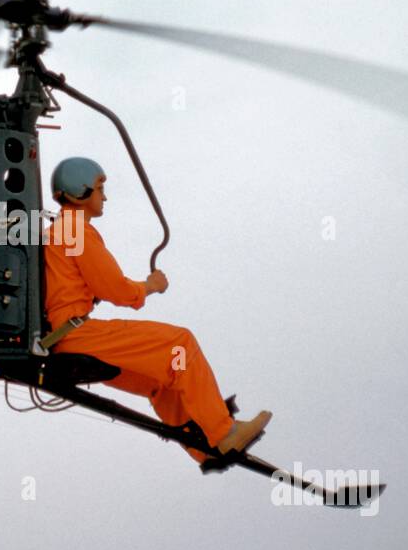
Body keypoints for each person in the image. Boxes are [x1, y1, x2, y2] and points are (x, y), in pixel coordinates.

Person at [41, 157, 272, 463]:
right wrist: (150, 286)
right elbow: (116, 289)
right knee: (180, 345)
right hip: (78, 334)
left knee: (159, 378)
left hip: (64, 336)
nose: (104, 196)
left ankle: (203, 446)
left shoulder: (59, 231)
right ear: (79, 190)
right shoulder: (75, 230)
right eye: (99, 188)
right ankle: (223, 433)